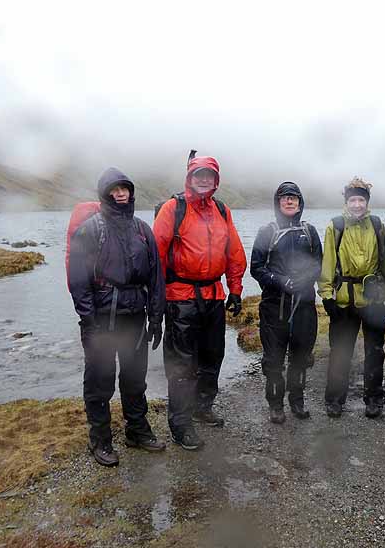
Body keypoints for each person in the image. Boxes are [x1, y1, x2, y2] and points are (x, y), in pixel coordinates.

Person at [68, 168, 166, 467]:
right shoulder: (91, 230)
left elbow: (155, 275)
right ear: (105, 194)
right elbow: (78, 280)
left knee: (135, 378)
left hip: (135, 316)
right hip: (101, 318)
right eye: (115, 189)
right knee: (100, 381)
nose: (121, 193)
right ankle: (100, 439)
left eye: (125, 188)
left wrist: (156, 317)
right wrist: (88, 320)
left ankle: (136, 430)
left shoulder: (141, 230)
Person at [153, 154, 247, 451]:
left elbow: (234, 251)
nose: (204, 180)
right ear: (189, 178)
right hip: (180, 297)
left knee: (212, 356)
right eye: (199, 175)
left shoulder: (222, 210)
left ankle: (202, 407)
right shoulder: (172, 209)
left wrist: (235, 289)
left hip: (213, 296)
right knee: (182, 364)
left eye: (210, 176)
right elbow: (155, 254)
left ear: (216, 181)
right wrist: (155, 299)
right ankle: (180, 425)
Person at [318, 177, 385, 419]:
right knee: (340, 351)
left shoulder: (376, 224)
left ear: (367, 201)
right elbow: (327, 263)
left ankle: (373, 399)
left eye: (362, 199)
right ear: (346, 202)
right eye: (353, 199)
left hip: (373, 299)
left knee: (375, 351)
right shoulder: (335, 226)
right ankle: (335, 400)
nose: (357, 204)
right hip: (344, 300)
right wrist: (327, 297)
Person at [250, 182, 322, 423]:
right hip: (274, 307)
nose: (289, 201)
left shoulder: (310, 232)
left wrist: (304, 280)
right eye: (285, 198)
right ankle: (275, 403)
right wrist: (280, 281)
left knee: (301, 357)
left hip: (304, 306)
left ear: (300, 203)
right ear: (277, 202)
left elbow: (318, 263)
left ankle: (297, 400)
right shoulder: (266, 232)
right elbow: (256, 268)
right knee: (273, 360)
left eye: (294, 198)